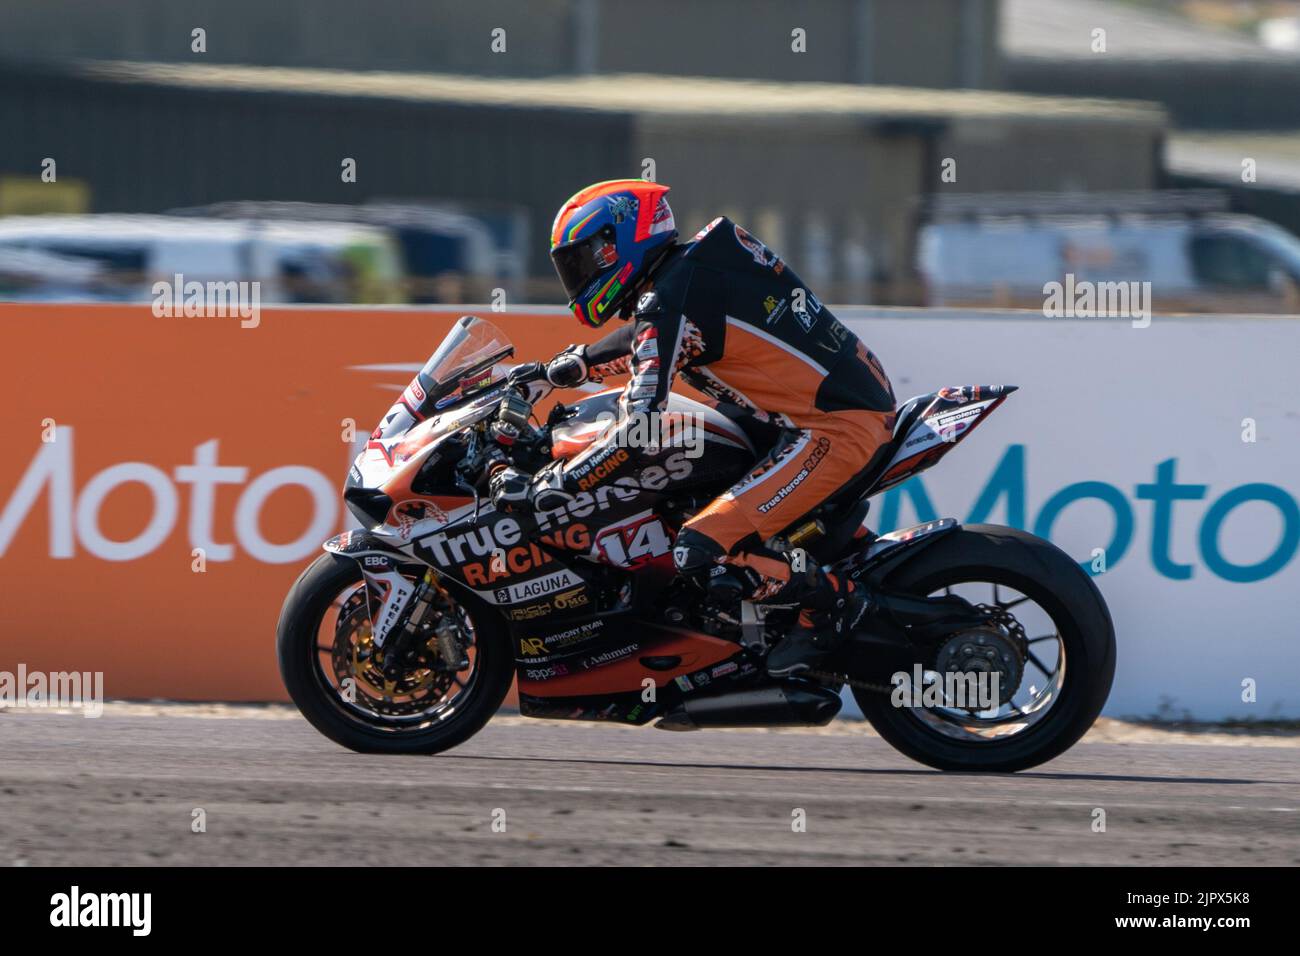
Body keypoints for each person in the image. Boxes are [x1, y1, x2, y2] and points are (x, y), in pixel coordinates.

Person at [491, 179, 896, 676]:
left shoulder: (673, 295)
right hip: (805, 413)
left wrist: (563, 484)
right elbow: (651, 334)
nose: (578, 275)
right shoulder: (688, 273)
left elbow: (641, 423)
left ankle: (831, 604)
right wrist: (569, 366)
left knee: (698, 546)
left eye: (584, 259)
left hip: (832, 428)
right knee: (693, 480)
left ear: (622, 241)